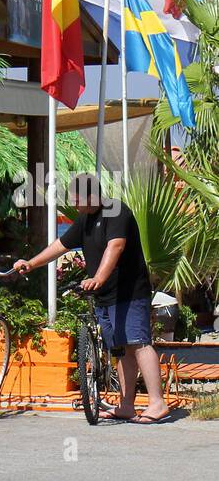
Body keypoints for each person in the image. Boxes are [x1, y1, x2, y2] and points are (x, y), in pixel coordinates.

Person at [14, 174, 169, 424]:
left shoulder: (116, 211)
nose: (74, 205)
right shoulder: (84, 219)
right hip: (105, 296)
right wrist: (31, 263)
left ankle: (157, 403)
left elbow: (115, 247)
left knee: (139, 343)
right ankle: (126, 406)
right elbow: (60, 246)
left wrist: (98, 277)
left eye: (77, 200)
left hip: (129, 292)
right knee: (120, 350)